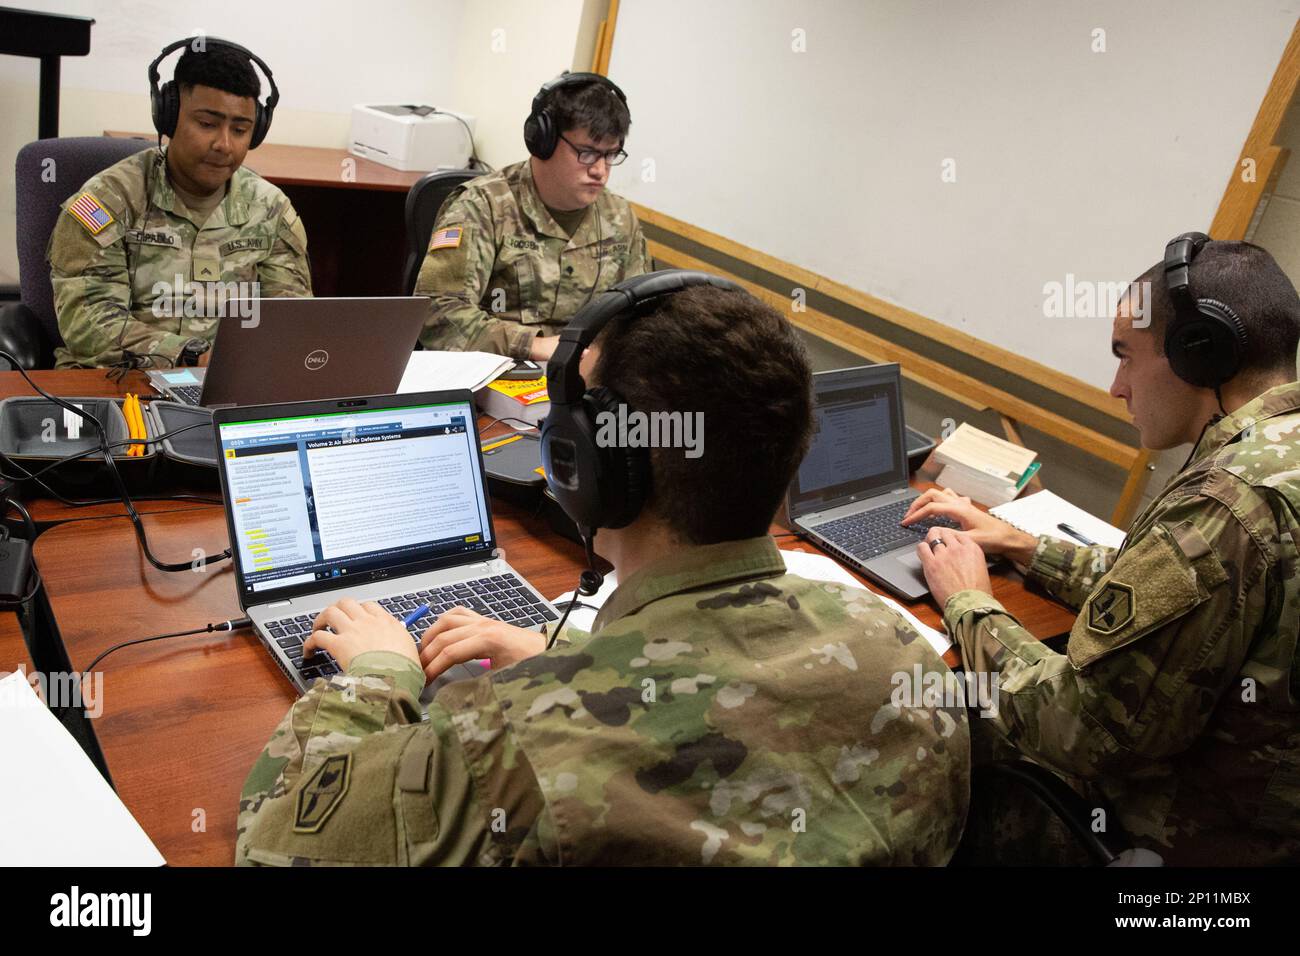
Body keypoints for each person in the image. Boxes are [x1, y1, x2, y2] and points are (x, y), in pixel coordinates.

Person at [236, 276, 969, 866]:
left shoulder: (514, 741)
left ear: (590, 470)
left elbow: (277, 842)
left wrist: (378, 676)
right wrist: (574, 658)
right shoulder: (902, 654)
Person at [905, 235, 1300, 864]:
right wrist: (1025, 546)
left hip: (1192, 847)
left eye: (1126, 357)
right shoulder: (1280, 455)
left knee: (938, 713)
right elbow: (1167, 596)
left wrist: (970, 600)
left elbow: (1077, 728)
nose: (1116, 387)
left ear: (1198, 355)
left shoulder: (1227, 501)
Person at [48, 37, 312, 370]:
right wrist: (191, 355)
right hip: (118, 383)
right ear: (169, 115)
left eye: (241, 129)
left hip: (224, 389)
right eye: (207, 124)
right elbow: (88, 325)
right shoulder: (108, 202)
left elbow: (293, 322)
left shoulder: (271, 209)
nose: (224, 144)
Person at [414, 72, 650, 361]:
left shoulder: (620, 218)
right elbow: (438, 313)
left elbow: (639, 316)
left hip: (585, 377)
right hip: (497, 372)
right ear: (543, 141)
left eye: (611, 155)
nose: (600, 170)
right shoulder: (482, 207)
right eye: (587, 153)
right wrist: (534, 346)